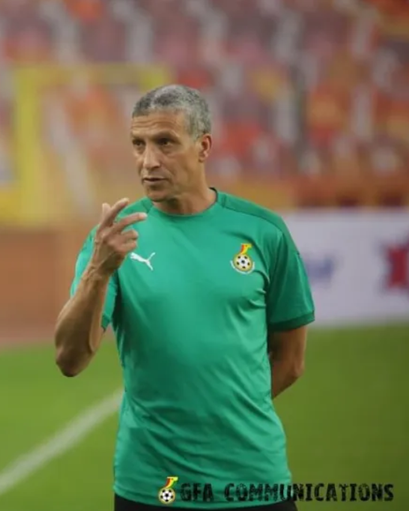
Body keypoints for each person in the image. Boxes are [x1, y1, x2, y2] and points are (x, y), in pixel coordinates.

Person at [54, 85, 314, 511]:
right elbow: (69, 358)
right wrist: (99, 270)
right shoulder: (114, 239)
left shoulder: (263, 232)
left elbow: (291, 359)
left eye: (165, 143)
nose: (148, 161)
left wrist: (225, 420)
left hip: (254, 481)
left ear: (203, 147)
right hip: (152, 487)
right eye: (138, 145)